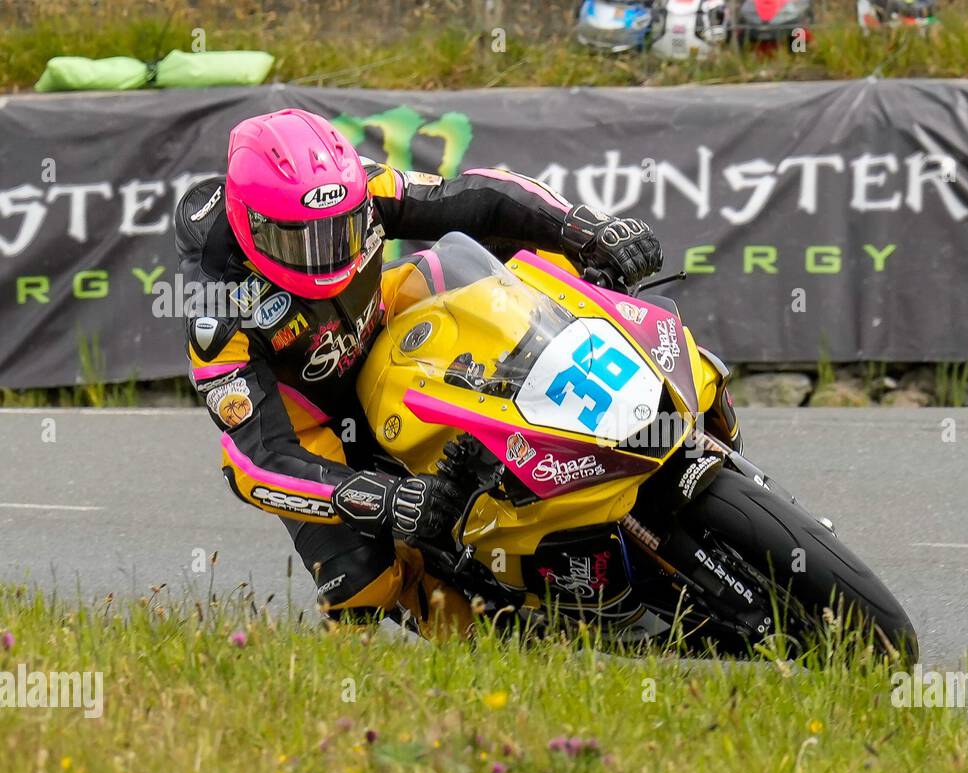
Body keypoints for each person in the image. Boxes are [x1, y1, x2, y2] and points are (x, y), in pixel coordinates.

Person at [175, 108, 662, 633]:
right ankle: (499, 640)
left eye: (340, 232)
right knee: (360, 583)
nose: (325, 257)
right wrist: (376, 497)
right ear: (251, 226)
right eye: (300, 242)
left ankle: (647, 398)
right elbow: (254, 459)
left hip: (384, 319)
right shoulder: (214, 305)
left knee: (541, 259)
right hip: (310, 418)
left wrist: (585, 228)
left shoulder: (361, 187)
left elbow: (476, 196)